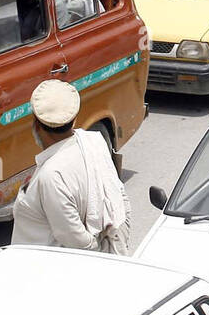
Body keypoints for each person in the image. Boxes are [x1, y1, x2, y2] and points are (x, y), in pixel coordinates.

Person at [11, 80, 131, 254]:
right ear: (74, 121)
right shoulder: (94, 142)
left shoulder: (52, 176)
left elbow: (76, 239)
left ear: (36, 126)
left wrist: (101, 258)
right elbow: (119, 197)